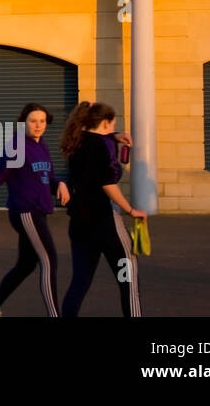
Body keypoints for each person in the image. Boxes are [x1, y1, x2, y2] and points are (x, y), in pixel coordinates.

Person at [0, 103, 69, 317]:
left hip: (39, 212)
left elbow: (47, 178)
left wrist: (59, 184)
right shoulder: (17, 146)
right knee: (49, 260)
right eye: (33, 121)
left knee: (26, 265)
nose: (38, 125)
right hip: (26, 212)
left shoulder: (42, 146)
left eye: (42, 121)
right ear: (24, 122)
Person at [59, 101, 145, 317]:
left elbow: (97, 141)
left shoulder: (77, 142)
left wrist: (114, 135)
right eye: (112, 124)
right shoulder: (101, 146)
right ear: (106, 122)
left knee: (79, 283)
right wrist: (131, 210)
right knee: (129, 282)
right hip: (106, 224)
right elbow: (107, 184)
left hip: (79, 224)